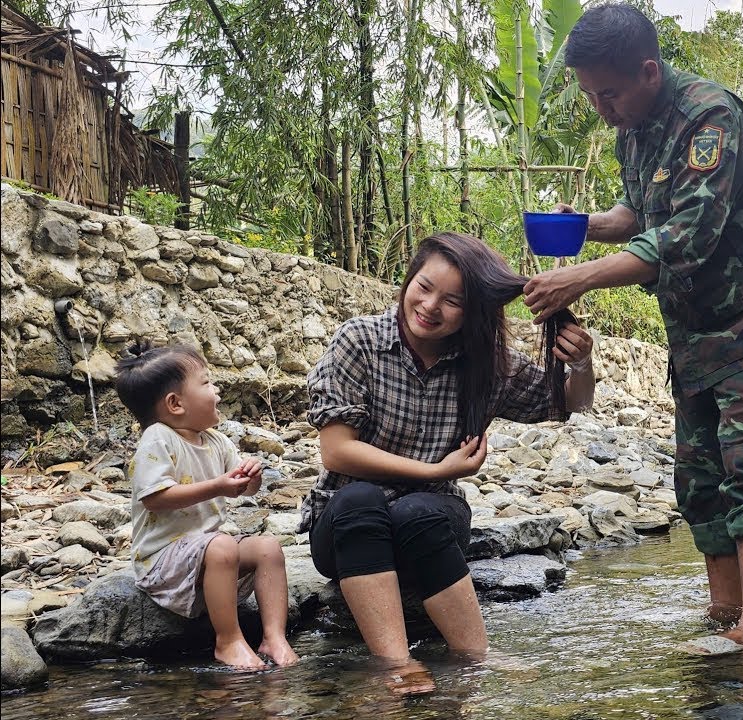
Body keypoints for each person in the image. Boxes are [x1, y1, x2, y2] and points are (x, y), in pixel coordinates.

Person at [522, 3, 743, 652]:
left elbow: (686, 235)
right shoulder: (633, 129)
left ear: (649, 72)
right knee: (700, 481)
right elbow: (639, 213)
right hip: (694, 337)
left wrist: (578, 278)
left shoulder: (710, 117)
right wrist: (584, 226)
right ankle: (724, 615)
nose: (601, 108)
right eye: (590, 95)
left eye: (609, 93)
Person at [304, 231, 596, 694]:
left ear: (474, 311)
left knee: (418, 510)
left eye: (452, 301)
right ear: (408, 280)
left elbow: (566, 404)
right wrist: (437, 471)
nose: (430, 306)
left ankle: (476, 657)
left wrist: (580, 365)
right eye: (424, 287)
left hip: (430, 527)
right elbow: (338, 451)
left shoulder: (488, 365)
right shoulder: (359, 341)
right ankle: (397, 663)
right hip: (347, 530)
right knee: (360, 499)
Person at [116, 342, 298, 670]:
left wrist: (251, 477)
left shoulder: (217, 440)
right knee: (223, 545)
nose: (217, 390)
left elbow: (241, 490)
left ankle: (274, 637)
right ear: (175, 404)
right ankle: (228, 641)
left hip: (210, 557)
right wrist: (217, 485)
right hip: (163, 561)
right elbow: (154, 498)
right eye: (206, 382)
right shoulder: (158, 438)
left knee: (268, 548)